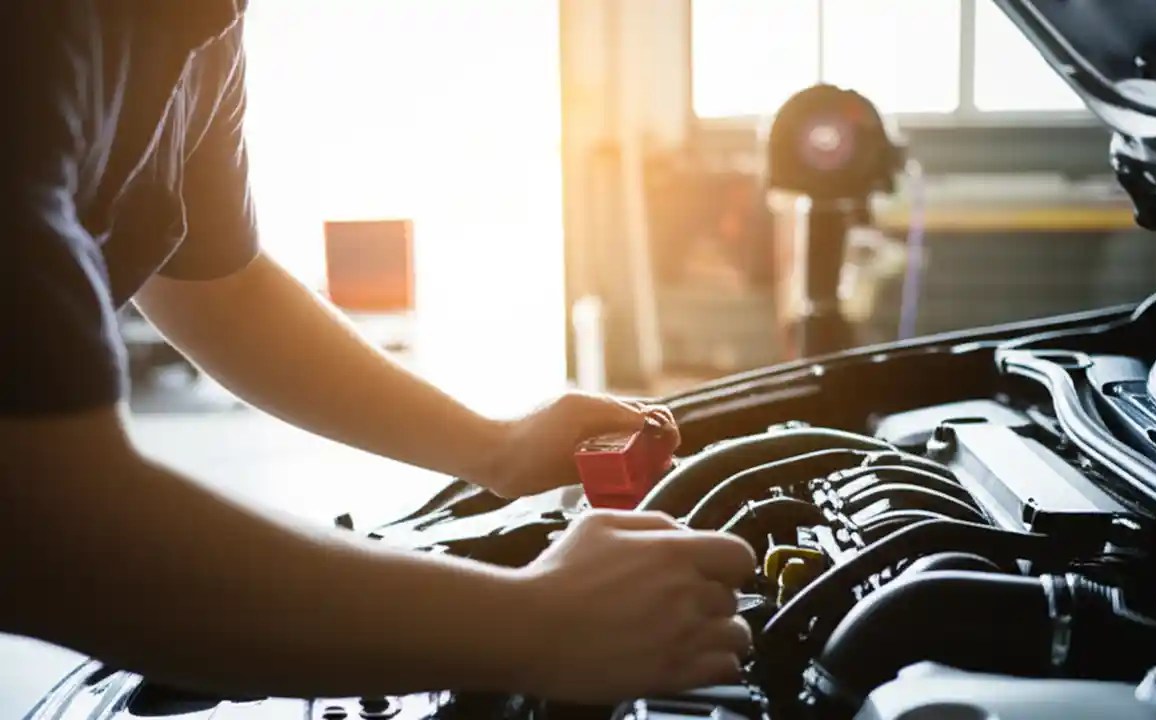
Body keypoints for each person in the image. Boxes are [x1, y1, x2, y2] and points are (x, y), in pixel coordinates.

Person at [0, 1, 755, 703]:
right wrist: (535, 625)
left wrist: (498, 449)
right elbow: (43, 511)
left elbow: (216, 284)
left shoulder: (203, 25)